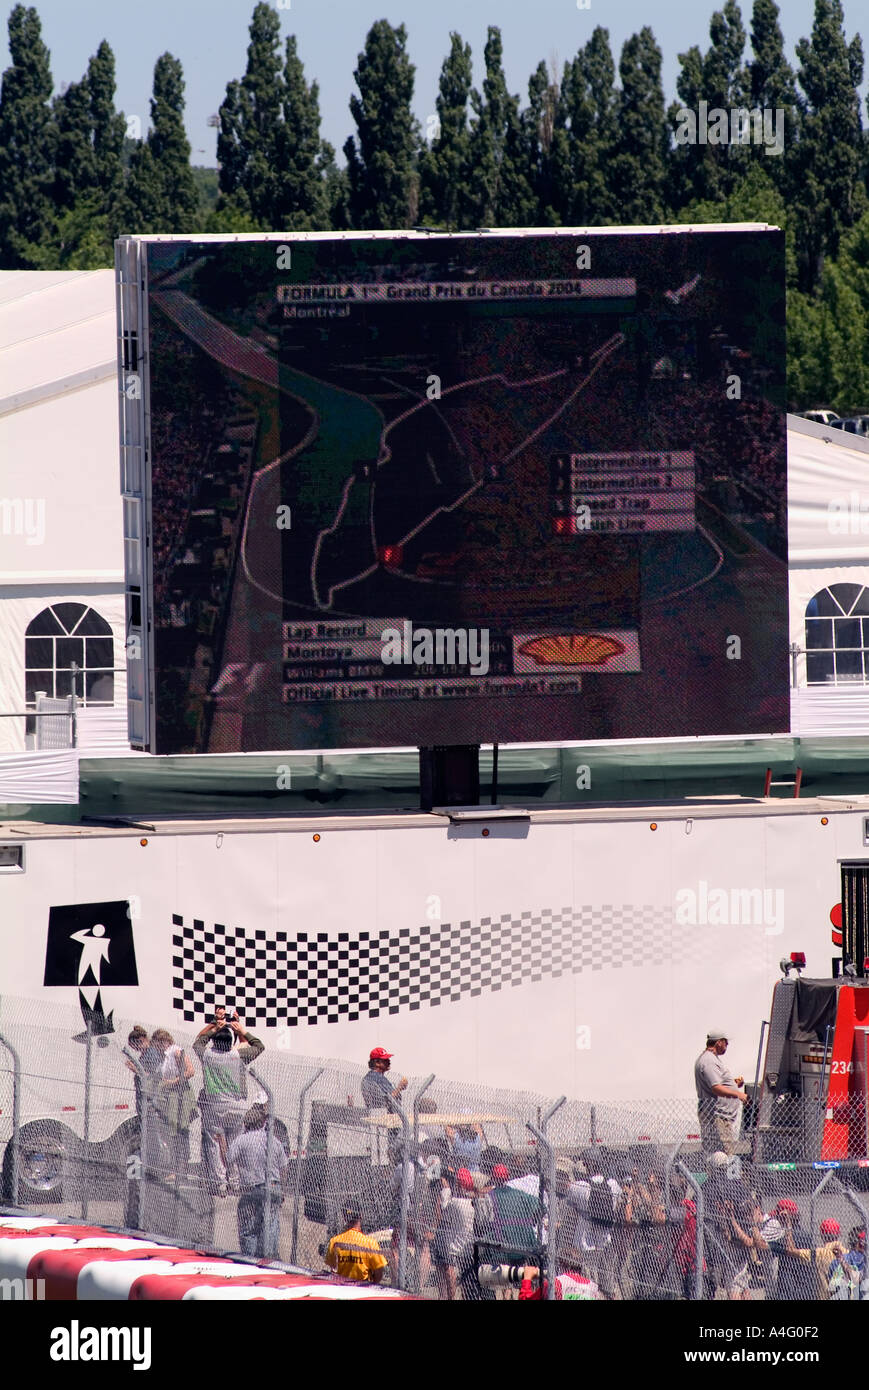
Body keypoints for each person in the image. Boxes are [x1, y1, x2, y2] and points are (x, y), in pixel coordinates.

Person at [193, 1009, 264, 1196]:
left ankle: (220, 1184)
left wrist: (215, 1026)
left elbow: (198, 1042)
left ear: (215, 1041)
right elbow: (259, 1046)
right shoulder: (238, 1055)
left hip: (214, 1108)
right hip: (237, 1107)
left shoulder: (207, 1055)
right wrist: (241, 1030)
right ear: (230, 1041)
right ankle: (235, 1182)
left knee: (215, 1146)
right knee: (234, 1146)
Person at [226, 1105, 288, 1258]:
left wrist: (221, 1142)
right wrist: (282, 1189)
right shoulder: (273, 1140)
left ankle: (249, 1259)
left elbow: (228, 1159)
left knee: (249, 1229)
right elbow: (284, 1168)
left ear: (245, 1124)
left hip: (250, 1189)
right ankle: (269, 1257)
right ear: (262, 1123)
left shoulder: (240, 1141)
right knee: (270, 1224)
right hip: (273, 1186)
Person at [146, 1028, 195, 1179]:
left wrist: (173, 1081)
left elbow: (190, 1071)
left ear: (164, 1041)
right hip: (168, 1096)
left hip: (180, 1095)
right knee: (171, 1132)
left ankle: (180, 1169)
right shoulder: (162, 1057)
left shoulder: (176, 1051)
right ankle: (176, 1169)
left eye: (157, 1044)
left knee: (179, 1131)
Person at [694, 1030, 749, 1156]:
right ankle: (725, 1176)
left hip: (719, 1115)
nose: (727, 1045)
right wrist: (738, 1094)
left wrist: (734, 1084)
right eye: (726, 1042)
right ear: (719, 1042)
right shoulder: (708, 1061)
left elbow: (716, 1083)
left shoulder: (711, 1059)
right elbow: (716, 1088)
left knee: (720, 1155)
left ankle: (721, 1174)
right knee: (724, 1156)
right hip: (717, 1116)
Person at [432, 1168, 477, 1300]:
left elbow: (445, 1207)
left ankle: (449, 1297)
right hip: (468, 1246)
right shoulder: (472, 1202)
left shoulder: (456, 1203)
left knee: (448, 1270)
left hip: (455, 1247)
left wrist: (446, 1189)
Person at [326, 1204, 388, 1283]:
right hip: (362, 1287)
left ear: (345, 1217)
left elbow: (333, 1268)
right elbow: (379, 1271)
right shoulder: (370, 1243)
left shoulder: (335, 1241)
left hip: (341, 1286)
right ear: (361, 1216)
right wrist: (373, 1285)